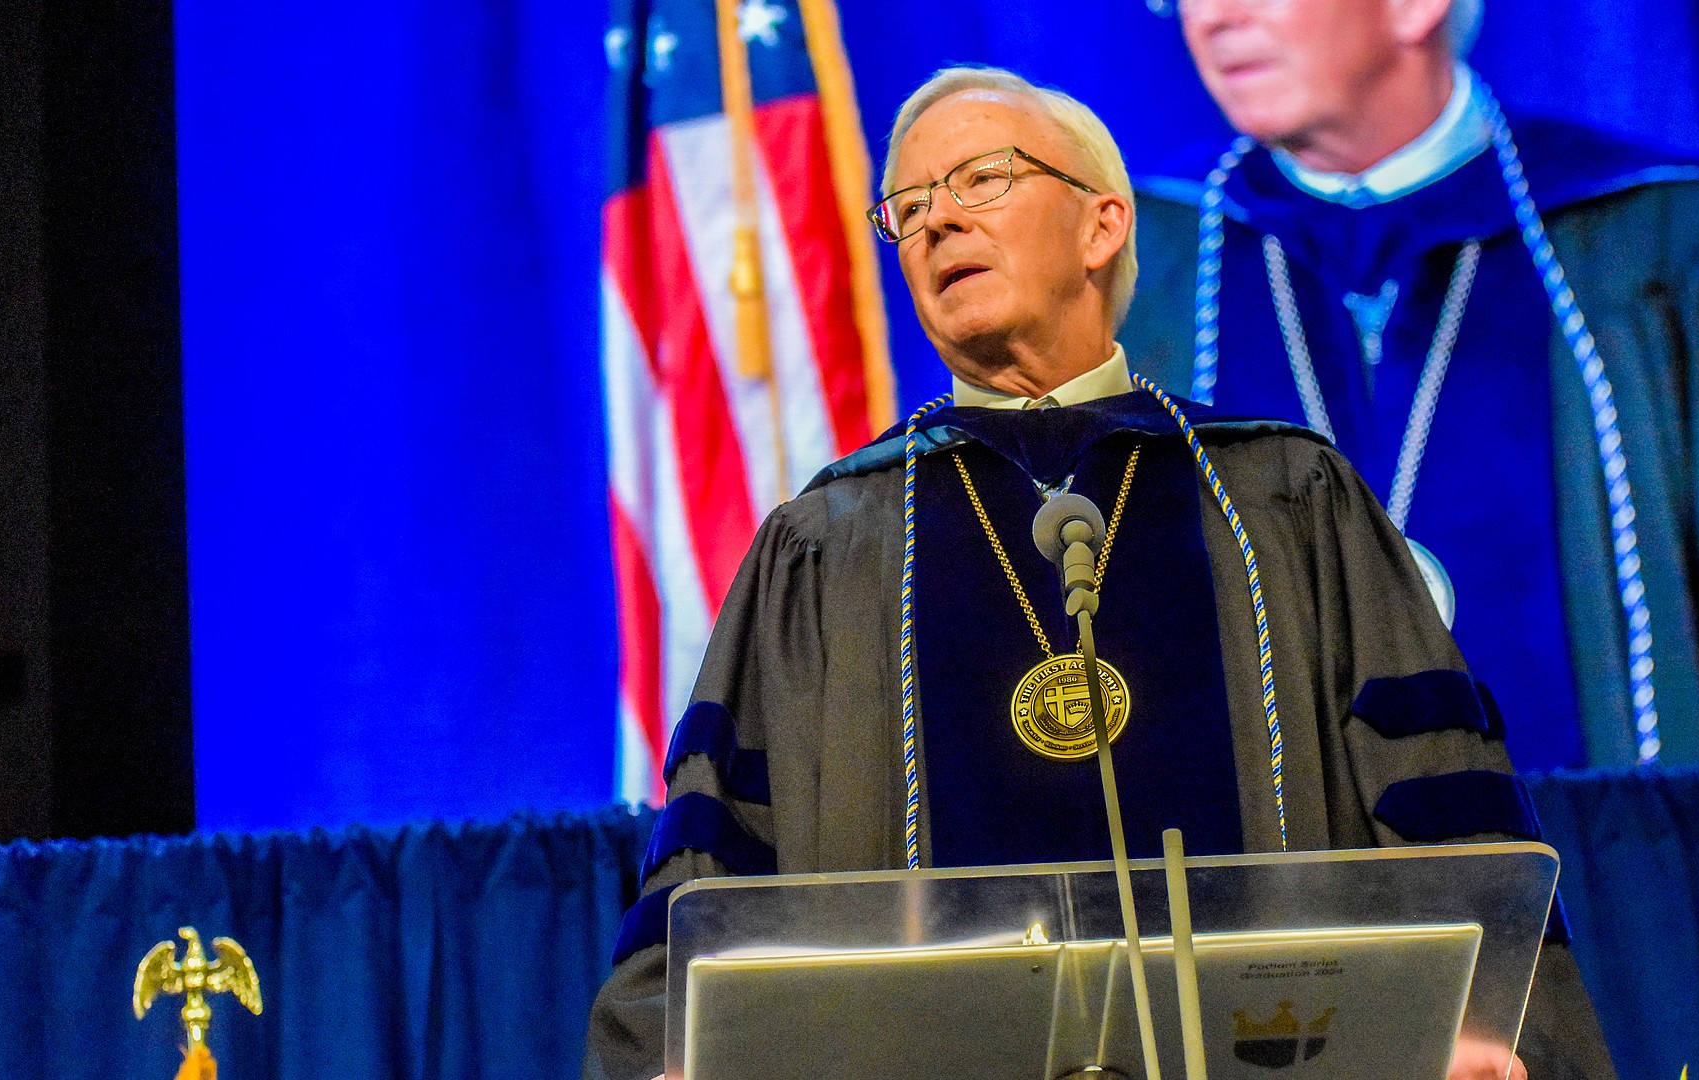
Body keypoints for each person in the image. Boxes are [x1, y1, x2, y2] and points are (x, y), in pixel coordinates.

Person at [587, 67, 1614, 1080]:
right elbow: (717, 862)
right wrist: (679, 1054)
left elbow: (1440, 806)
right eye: (907, 205)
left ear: (1103, 225)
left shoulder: (1282, 498)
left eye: (981, 179)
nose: (937, 221)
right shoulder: (830, 545)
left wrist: (1493, 1025)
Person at [1120, 0, 1699, 771]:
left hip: (1618, 864)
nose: (1213, 18)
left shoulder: (1662, 241)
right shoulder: (1147, 268)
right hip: (1278, 881)